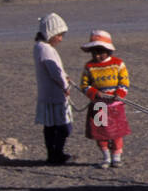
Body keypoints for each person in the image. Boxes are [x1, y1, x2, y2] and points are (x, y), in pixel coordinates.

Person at [78, 30, 132, 168]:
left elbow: (124, 82)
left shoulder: (118, 64)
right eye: (94, 52)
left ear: (108, 51)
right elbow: (84, 85)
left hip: (115, 105)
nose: (97, 55)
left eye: (100, 52)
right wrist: (95, 93)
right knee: (100, 133)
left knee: (116, 132)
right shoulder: (89, 67)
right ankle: (106, 157)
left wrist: (119, 93)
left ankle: (116, 156)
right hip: (98, 106)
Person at [33, 13, 72, 164]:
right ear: (51, 33)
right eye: (59, 35)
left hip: (47, 94)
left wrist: (65, 77)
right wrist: (65, 85)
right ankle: (56, 154)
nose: (61, 39)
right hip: (55, 95)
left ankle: (53, 154)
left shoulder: (39, 47)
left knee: (51, 126)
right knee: (63, 127)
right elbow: (55, 71)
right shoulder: (45, 49)